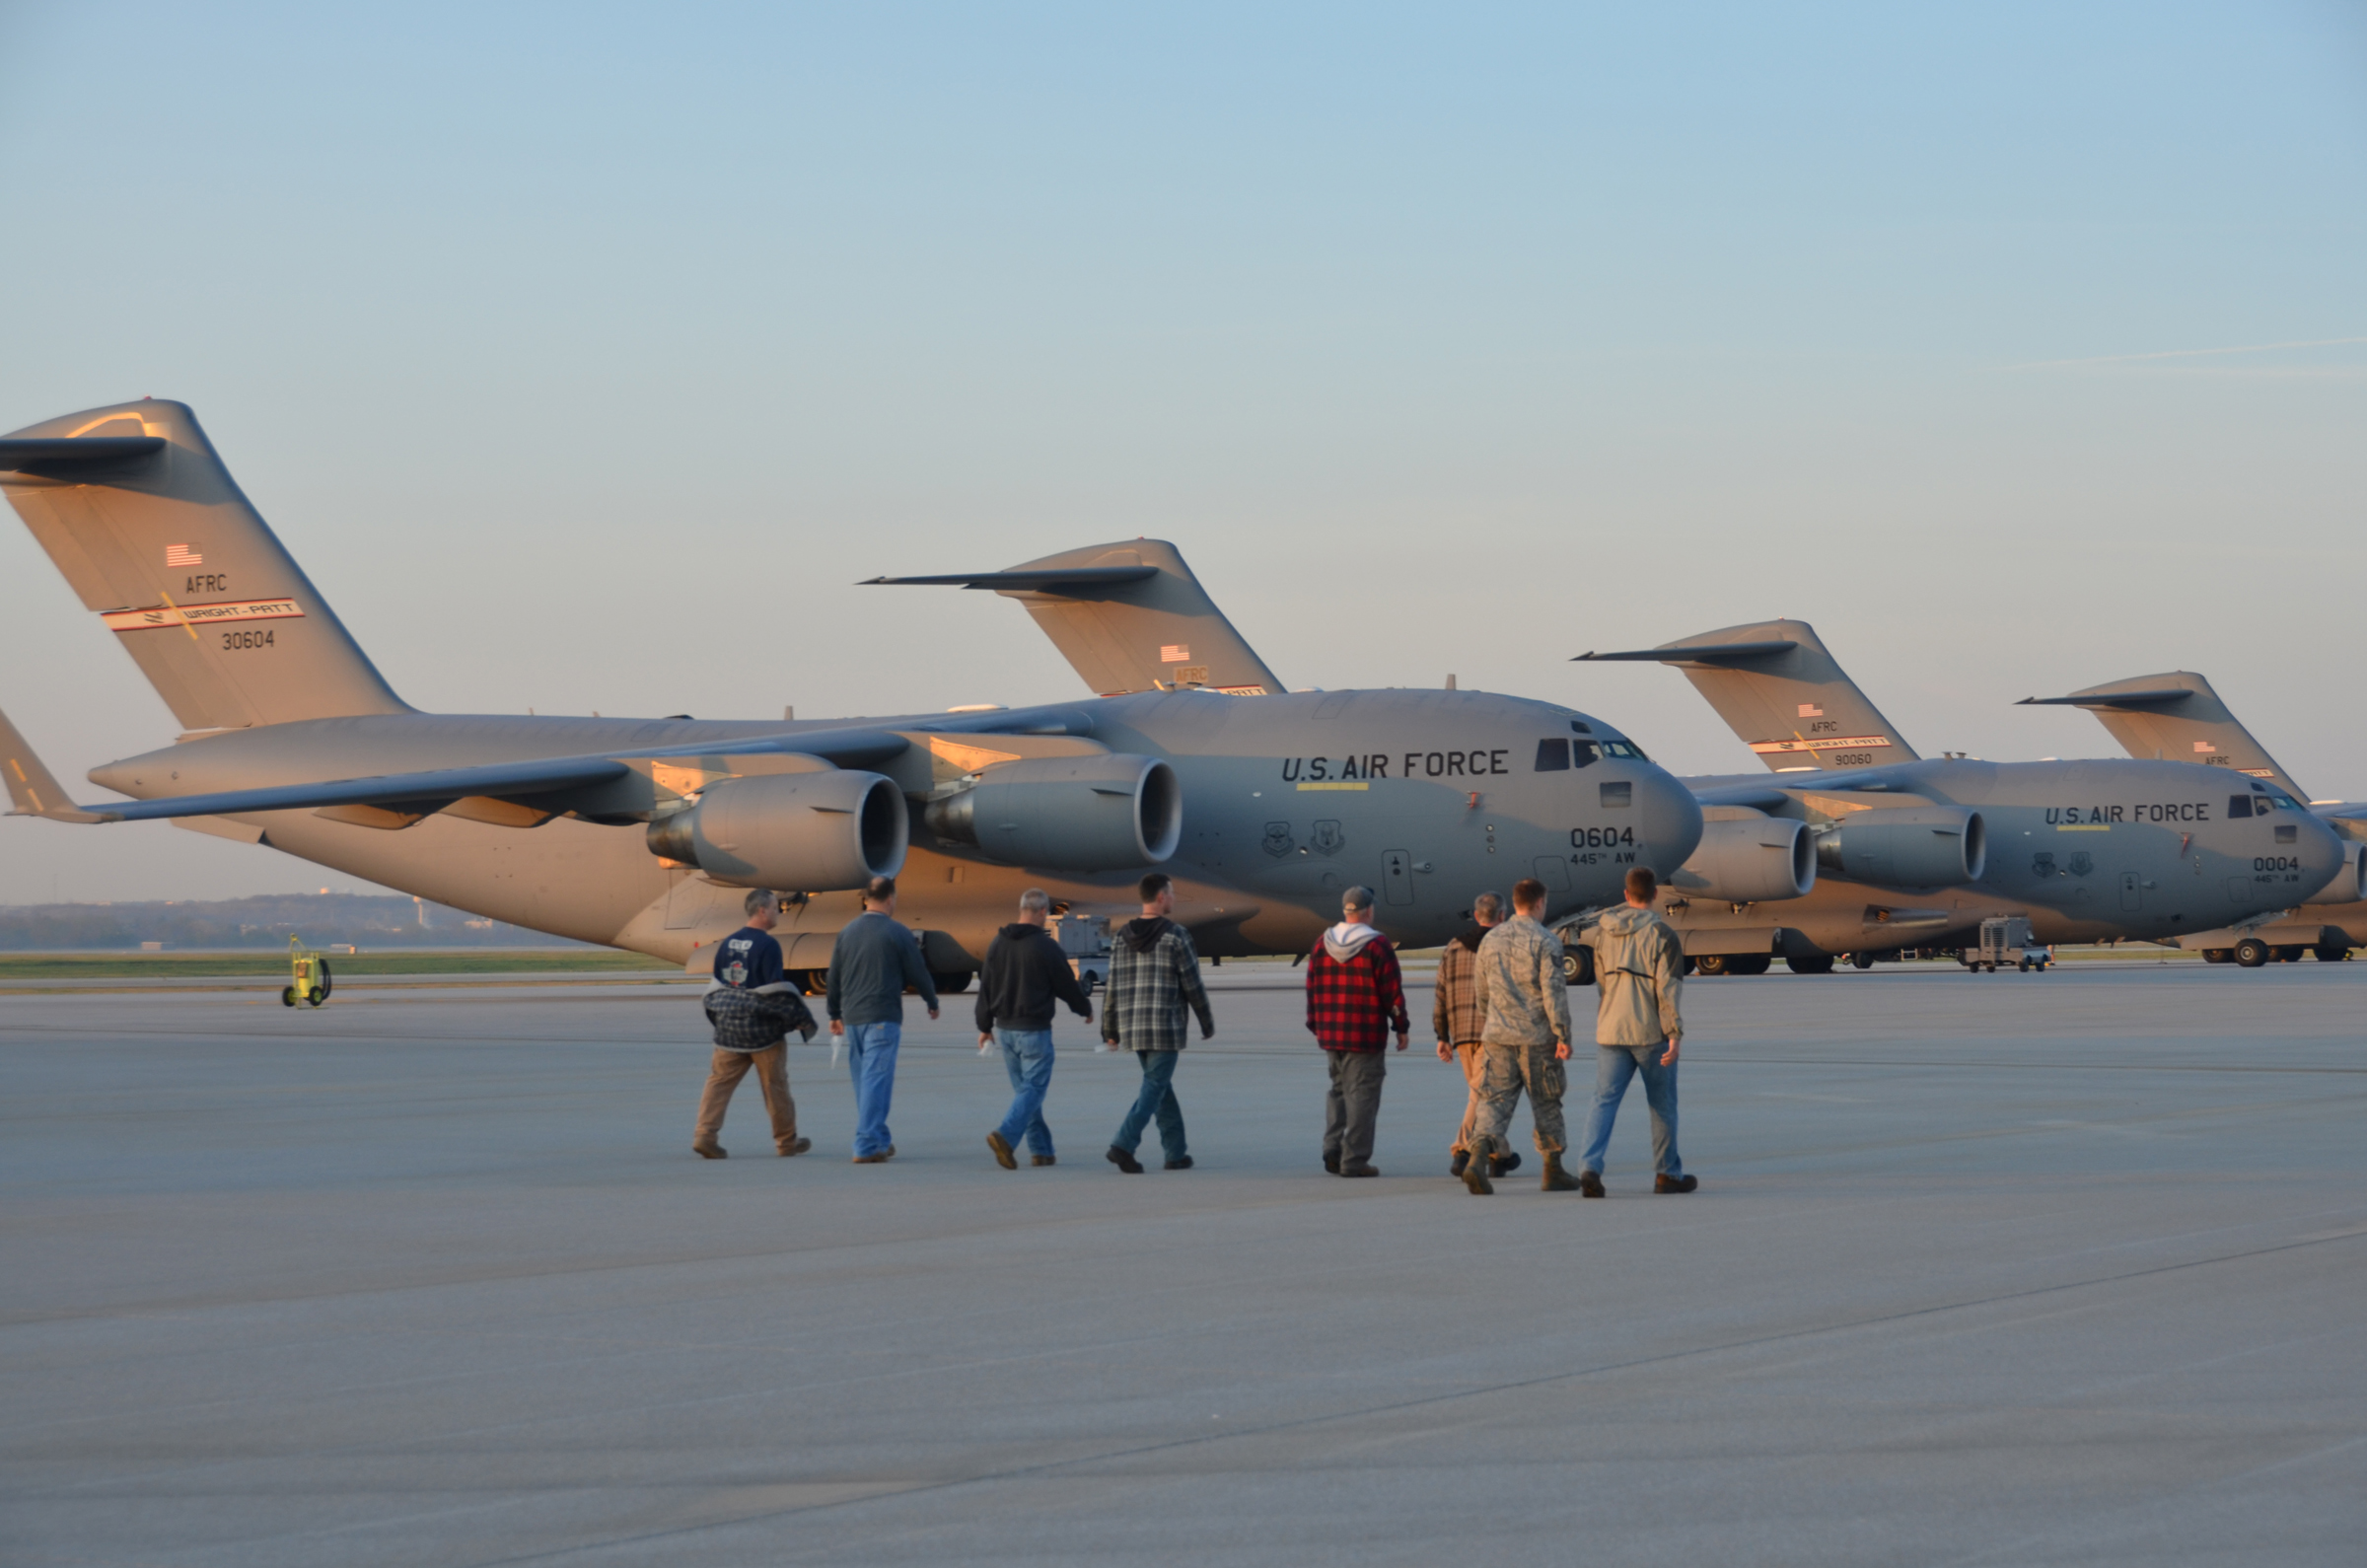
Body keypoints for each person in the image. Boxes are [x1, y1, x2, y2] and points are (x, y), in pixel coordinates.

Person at [1579, 866, 1695, 1196]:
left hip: (1611, 1028)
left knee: (1603, 1100)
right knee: (1661, 1104)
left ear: (1626, 894)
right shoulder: (1663, 935)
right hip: (1649, 1032)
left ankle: (1589, 1167)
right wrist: (1674, 1034)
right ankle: (1666, 1173)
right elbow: (1668, 989)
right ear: (1655, 893)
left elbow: (1602, 983)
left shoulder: (1604, 933)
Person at [1462, 877, 1581, 1195]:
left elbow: (1481, 991)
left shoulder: (1491, 940)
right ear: (1540, 903)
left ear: (1514, 904)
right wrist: (1563, 1035)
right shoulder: (1546, 940)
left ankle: (1476, 1158)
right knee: (1546, 1101)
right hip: (1536, 1036)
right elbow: (1553, 993)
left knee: (1494, 1099)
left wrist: (1491, 1021)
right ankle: (1552, 1168)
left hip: (1497, 1034)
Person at [1101, 872, 1214, 1173]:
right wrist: (1206, 1020)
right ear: (1161, 897)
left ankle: (1175, 1153)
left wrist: (1109, 1029)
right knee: (1154, 1087)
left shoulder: (1121, 936)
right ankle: (1122, 1145)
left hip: (1133, 1027)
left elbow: (1111, 987)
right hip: (1164, 1026)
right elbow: (1192, 983)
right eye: (1172, 893)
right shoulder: (1177, 935)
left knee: (1160, 1088)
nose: (1174, 899)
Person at [692, 889, 818, 1159]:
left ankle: (705, 1134)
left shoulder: (727, 942)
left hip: (729, 1030)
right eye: (775, 908)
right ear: (762, 911)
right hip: (763, 1034)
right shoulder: (768, 945)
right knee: (776, 1087)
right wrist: (796, 1018)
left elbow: (720, 985)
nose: (778, 912)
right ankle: (786, 1143)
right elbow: (774, 988)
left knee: (718, 1083)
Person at [975, 887, 1093, 1169]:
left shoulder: (997, 943)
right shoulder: (1045, 946)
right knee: (1033, 1090)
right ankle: (1005, 1135)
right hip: (1034, 1030)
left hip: (1005, 1030)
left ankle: (1041, 1150)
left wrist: (985, 1025)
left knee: (1025, 1093)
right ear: (1042, 912)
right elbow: (1065, 984)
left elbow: (986, 987)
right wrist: (1084, 1008)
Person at [825, 876, 939, 1163]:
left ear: (867, 898)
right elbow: (917, 970)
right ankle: (865, 1146)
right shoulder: (897, 932)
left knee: (866, 1082)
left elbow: (833, 976)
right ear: (890, 899)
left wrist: (834, 1013)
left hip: (853, 1018)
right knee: (877, 1081)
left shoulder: (847, 932)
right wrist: (931, 1000)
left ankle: (879, 1138)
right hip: (882, 1017)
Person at [1304, 886, 1410, 1177]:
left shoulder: (1321, 943)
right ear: (1368, 911)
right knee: (1363, 1095)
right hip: (1364, 1034)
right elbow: (1392, 992)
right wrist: (1401, 1027)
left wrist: (1316, 1024)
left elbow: (1311, 988)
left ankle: (1333, 1148)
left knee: (1338, 1091)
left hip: (1331, 1033)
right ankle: (1355, 1159)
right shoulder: (1377, 945)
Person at [1434, 891, 1520, 1179]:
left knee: (1485, 1094)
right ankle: (1462, 1150)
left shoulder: (1453, 947)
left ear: (1475, 915)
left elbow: (1441, 992)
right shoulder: (1504, 945)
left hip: (1461, 1033)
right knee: (1482, 1094)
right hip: (1492, 1030)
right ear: (1502, 916)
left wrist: (1442, 1035)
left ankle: (1499, 1154)